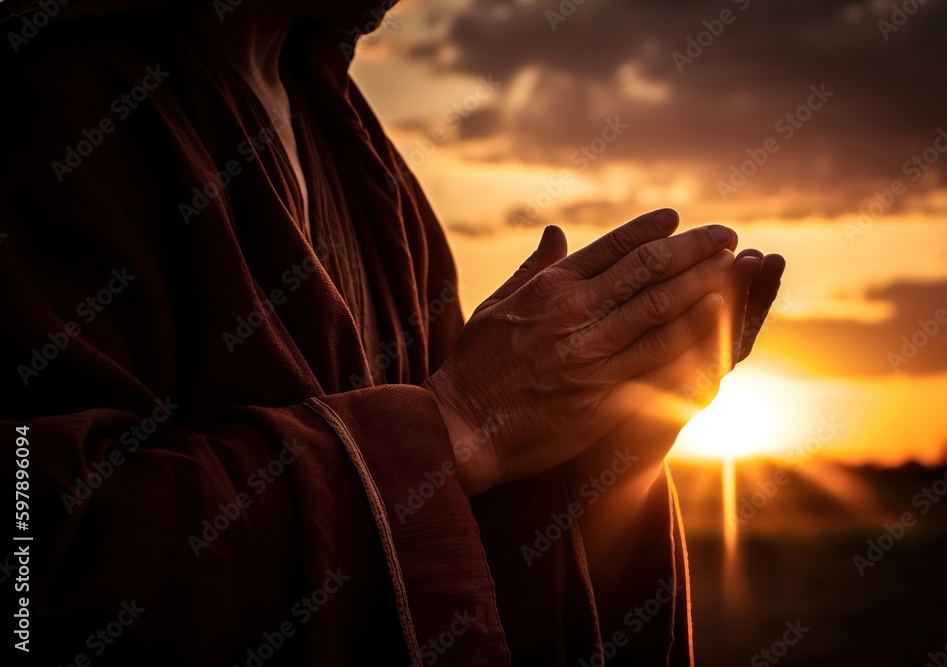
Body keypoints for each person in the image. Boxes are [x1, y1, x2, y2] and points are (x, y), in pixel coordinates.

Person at [0, 0, 784, 664]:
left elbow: (459, 515)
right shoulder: (51, 108)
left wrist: (590, 440)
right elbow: (35, 579)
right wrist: (458, 421)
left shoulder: (368, 165)